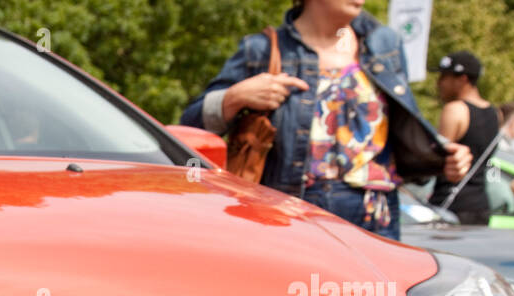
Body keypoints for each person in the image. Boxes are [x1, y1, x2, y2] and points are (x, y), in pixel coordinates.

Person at [181, 0, 472, 240]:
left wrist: (444, 152)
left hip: (377, 212)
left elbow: (399, 122)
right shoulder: (262, 50)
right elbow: (189, 126)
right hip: (292, 212)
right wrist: (234, 97)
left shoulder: (385, 45)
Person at [429, 52, 499, 225]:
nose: (439, 83)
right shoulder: (495, 113)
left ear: (463, 79)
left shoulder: (455, 109)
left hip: (450, 204)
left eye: (444, 77)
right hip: (481, 205)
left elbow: (437, 159)